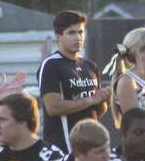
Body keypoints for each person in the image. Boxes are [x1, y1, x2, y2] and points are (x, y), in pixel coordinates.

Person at [37, 10, 111, 153]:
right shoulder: (51, 65)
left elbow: (98, 110)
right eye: (71, 33)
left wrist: (104, 99)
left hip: (92, 147)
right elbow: (53, 107)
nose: (78, 37)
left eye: (81, 32)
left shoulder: (90, 66)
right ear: (58, 36)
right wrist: (90, 100)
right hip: (64, 148)